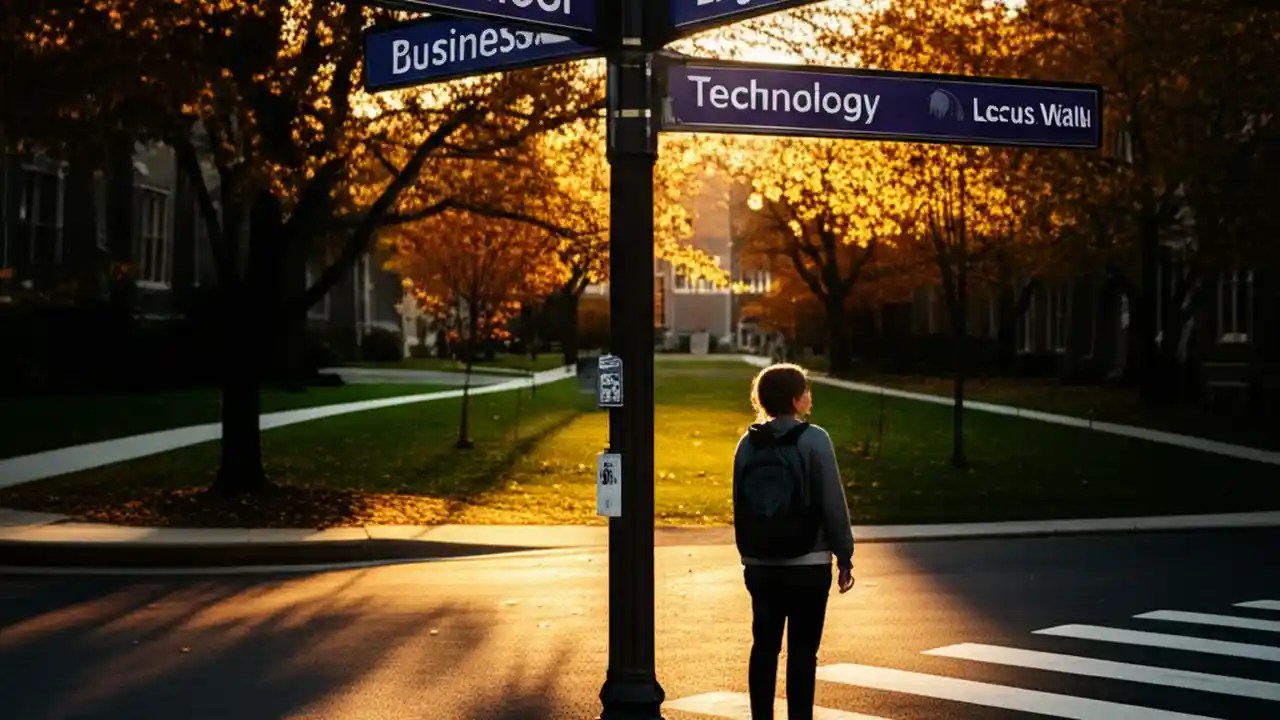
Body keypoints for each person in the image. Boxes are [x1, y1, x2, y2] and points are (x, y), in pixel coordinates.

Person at [733, 363, 855, 720]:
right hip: (808, 563)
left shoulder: (747, 443)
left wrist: (749, 554)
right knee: (803, 652)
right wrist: (844, 555)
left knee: (764, 647)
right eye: (806, 390)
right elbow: (833, 502)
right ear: (795, 399)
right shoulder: (814, 439)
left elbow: (739, 504)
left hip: (760, 565)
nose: (809, 396)